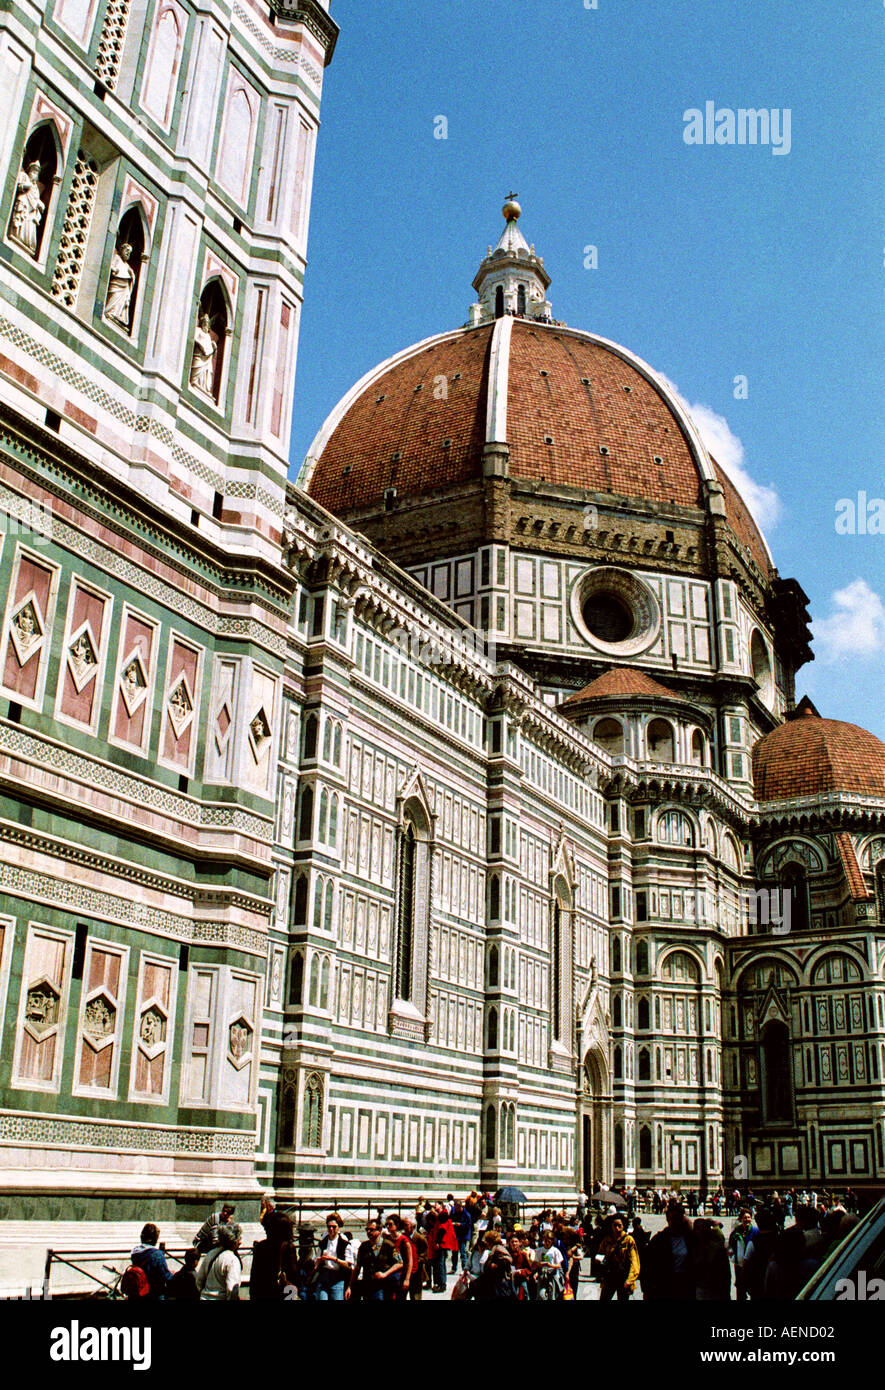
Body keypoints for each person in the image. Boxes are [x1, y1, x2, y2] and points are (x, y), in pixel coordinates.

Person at [643, 1202, 695, 1301]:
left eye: (679, 1218)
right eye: (673, 1219)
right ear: (667, 1220)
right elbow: (647, 1266)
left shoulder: (690, 1238)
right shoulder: (659, 1240)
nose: (676, 1222)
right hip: (665, 1286)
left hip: (686, 1286)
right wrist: (646, 1290)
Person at [345, 1220, 402, 1301]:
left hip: (384, 1285)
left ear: (379, 1230)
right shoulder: (364, 1246)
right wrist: (350, 1286)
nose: (368, 1232)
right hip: (368, 1285)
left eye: (371, 1230)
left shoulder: (388, 1245)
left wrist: (385, 1274)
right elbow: (357, 1267)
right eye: (367, 1229)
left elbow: (400, 1263)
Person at [250, 1211, 298, 1301]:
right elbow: (293, 1273)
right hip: (281, 1293)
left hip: (262, 1293)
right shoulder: (287, 1247)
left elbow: (254, 1277)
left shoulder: (260, 1246)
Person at [311, 1212, 353, 1301]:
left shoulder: (344, 1243)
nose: (331, 1229)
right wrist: (318, 1261)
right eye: (329, 1226)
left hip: (337, 1277)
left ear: (338, 1228)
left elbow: (348, 1265)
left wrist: (333, 1259)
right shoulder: (323, 1242)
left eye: (334, 1227)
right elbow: (317, 1260)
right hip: (324, 1276)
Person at [196, 1222, 243, 1300]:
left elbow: (199, 1281)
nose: (240, 1242)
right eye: (239, 1239)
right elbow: (232, 1290)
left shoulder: (210, 1254)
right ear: (234, 1241)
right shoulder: (232, 1260)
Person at [597, 1216, 640, 1301]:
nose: (617, 1228)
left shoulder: (628, 1240)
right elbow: (600, 1254)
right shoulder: (607, 1239)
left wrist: (630, 1279)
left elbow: (634, 1262)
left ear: (624, 1226)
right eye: (614, 1225)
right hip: (610, 1276)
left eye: (619, 1225)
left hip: (623, 1277)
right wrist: (600, 1260)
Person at [127, 1223, 172, 1300]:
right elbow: (166, 1276)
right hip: (153, 1294)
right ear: (155, 1238)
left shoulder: (135, 1252)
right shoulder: (157, 1255)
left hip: (138, 1293)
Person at [9, 161, 44, 255]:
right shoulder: (24, 176)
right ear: (29, 170)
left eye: (37, 172)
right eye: (33, 171)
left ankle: (27, 243)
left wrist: (40, 204)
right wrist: (26, 186)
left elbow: (36, 198)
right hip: (24, 203)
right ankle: (16, 235)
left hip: (32, 211)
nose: (35, 174)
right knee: (20, 219)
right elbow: (19, 186)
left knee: (30, 226)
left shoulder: (36, 187)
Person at [693, 1219, 731, 1300]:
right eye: (697, 1228)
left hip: (715, 1287)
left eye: (703, 1228)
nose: (700, 1230)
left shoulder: (716, 1246)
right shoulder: (693, 1245)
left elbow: (725, 1273)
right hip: (700, 1286)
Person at [728, 1209, 758, 1300]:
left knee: (753, 1289)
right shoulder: (736, 1232)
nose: (747, 1219)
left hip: (751, 1266)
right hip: (739, 1266)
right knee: (740, 1290)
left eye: (749, 1217)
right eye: (745, 1218)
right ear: (741, 1219)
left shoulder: (755, 1231)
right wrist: (733, 1257)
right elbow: (730, 1247)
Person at [104, 243, 135, 328]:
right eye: (127, 250)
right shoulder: (117, 258)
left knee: (122, 301)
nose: (128, 253)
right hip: (116, 284)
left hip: (124, 286)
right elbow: (111, 266)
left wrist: (132, 275)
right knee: (114, 297)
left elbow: (131, 277)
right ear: (121, 250)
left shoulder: (127, 266)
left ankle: (117, 315)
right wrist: (114, 269)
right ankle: (110, 312)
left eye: (130, 252)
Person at [189, 311, 216, 395]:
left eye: (207, 324)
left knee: (205, 373)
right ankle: (194, 382)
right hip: (199, 355)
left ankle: (202, 387)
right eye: (205, 323)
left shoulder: (208, 336)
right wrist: (202, 347)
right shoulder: (198, 330)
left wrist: (213, 348)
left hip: (206, 358)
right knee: (196, 372)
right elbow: (194, 338)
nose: (206, 325)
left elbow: (210, 350)